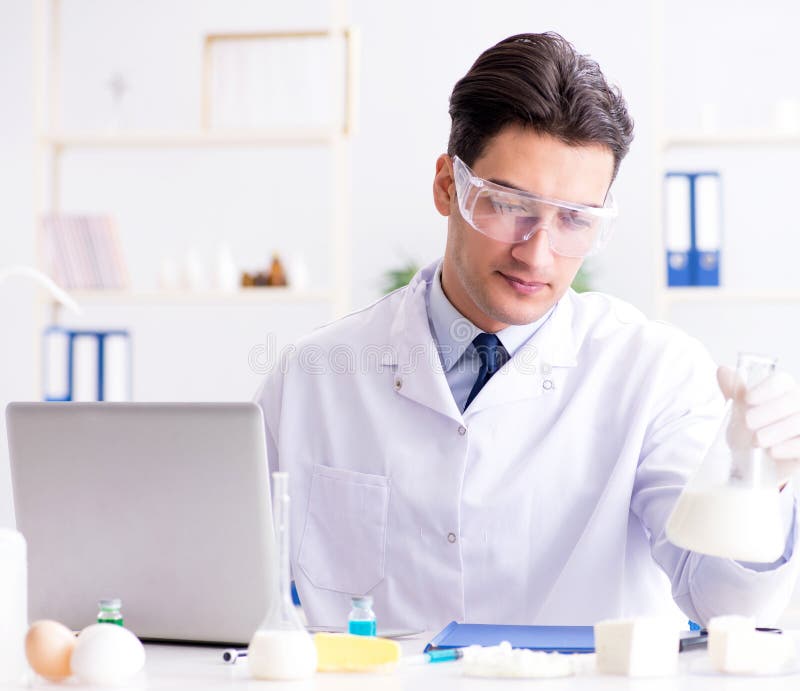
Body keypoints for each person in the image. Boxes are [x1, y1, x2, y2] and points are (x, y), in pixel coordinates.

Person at [256, 32, 800, 632]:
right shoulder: (309, 377)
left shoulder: (655, 373)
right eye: (510, 204)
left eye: (575, 219)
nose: (537, 255)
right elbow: (238, 595)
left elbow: (726, 605)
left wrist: (755, 484)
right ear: (447, 185)